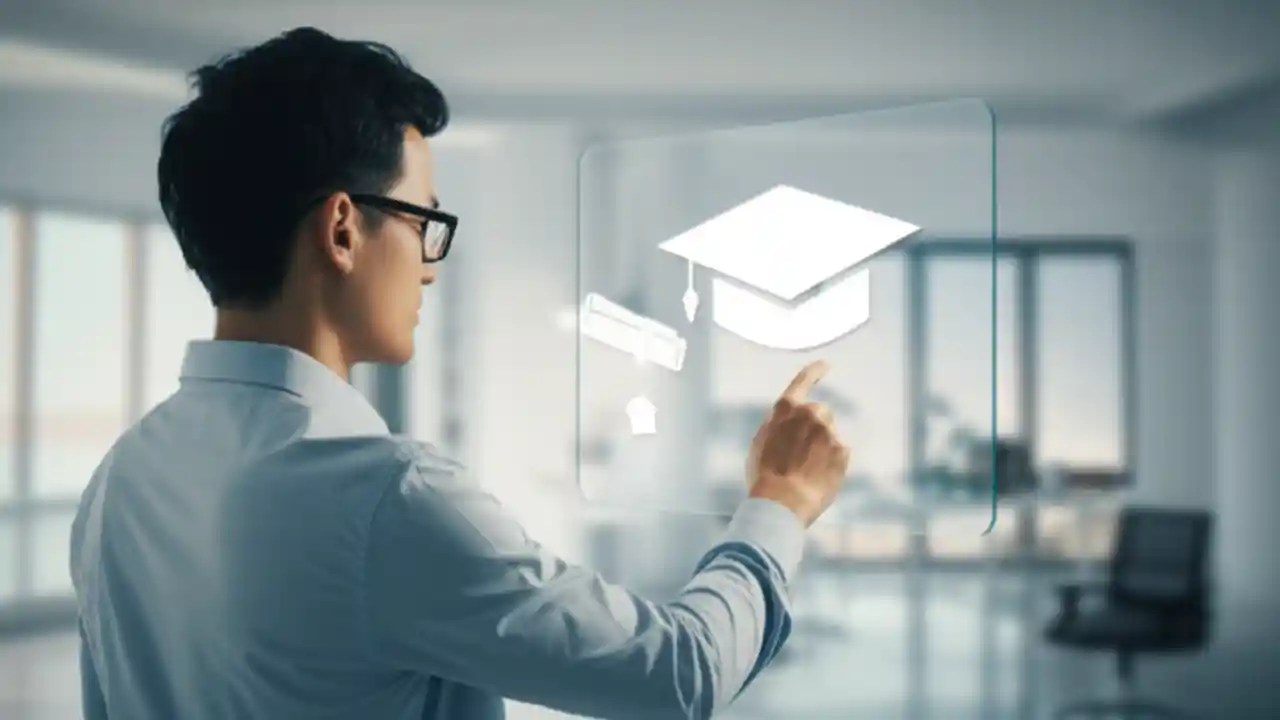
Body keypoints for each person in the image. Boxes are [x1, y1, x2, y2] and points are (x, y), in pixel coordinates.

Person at [69, 27, 851, 720]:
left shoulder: (117, 483)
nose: (430, 269)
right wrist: (779, 501)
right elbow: (676, 677)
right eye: (423, 222)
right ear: (343, 229)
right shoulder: (384, 497)